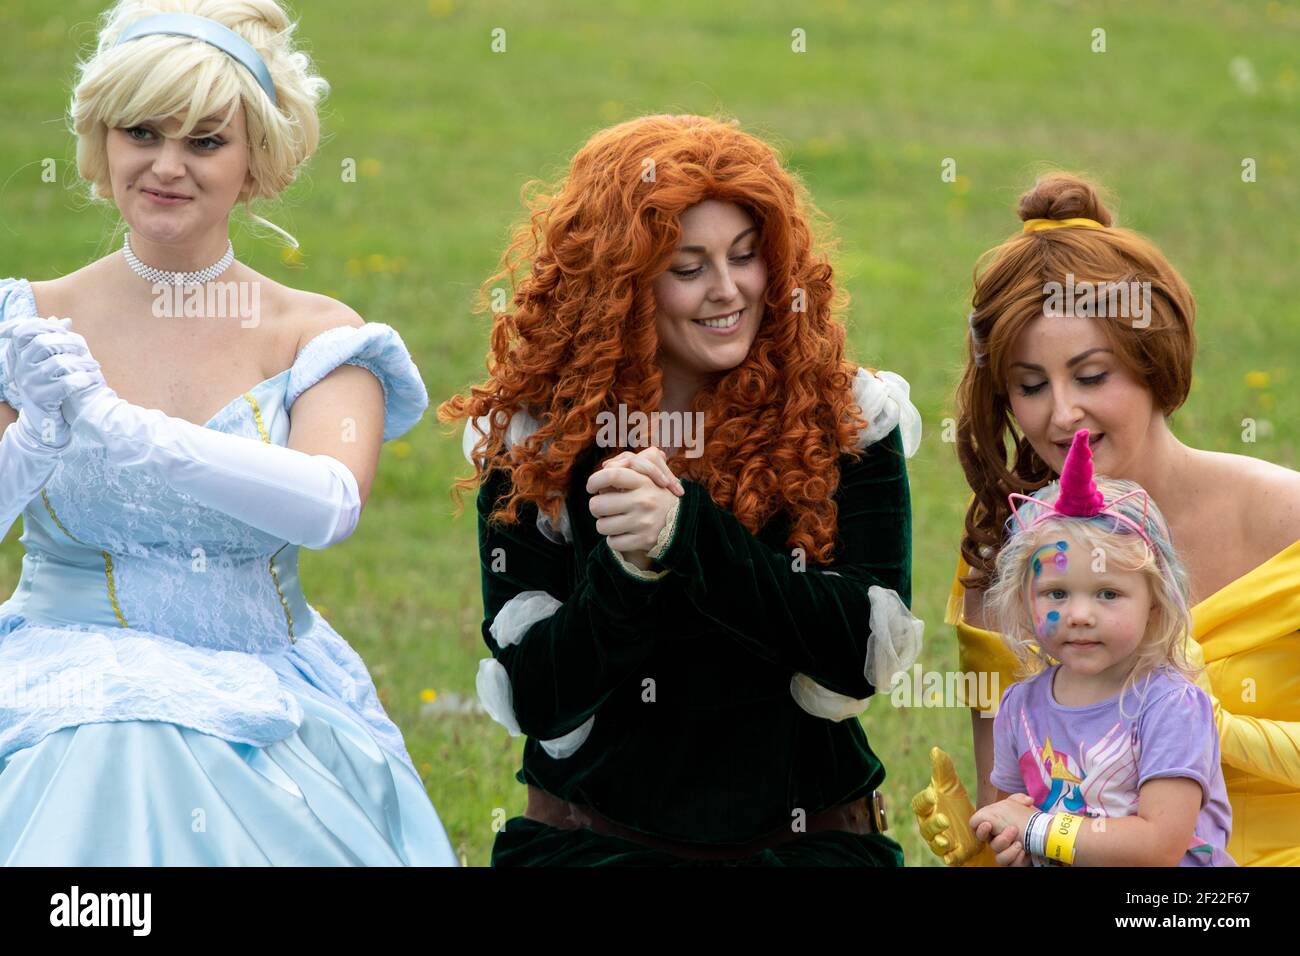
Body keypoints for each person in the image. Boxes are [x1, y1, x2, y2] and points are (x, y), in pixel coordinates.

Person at [0, 0, 455, 865]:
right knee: (115, 738)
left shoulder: (314, 333)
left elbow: (330, 505)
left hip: (256, 676)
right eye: (141, 133)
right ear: (102, 143)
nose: (166, 166)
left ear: (255, 162)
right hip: (61, 679)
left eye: (205, 141)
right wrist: (33, 445)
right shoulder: (29, 319)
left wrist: (125, 430)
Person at [439, 113, 925, 866]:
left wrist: (689, 535)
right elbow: (540, 698)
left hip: (807, 849)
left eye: (745, 256)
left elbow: (858, 655)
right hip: (593, 850)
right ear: (620, 283)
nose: (727, 291)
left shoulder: (847, 414)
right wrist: (628, 569)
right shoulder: (543, 434)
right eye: (689, 267)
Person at [912, 172, 1300, 867]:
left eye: (1091, 376)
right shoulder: (1012, 562)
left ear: (1155, 360)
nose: (1062, 416)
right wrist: (983, 839)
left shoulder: (1286, 522)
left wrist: (1209, 724)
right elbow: (1011, 803)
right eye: (1030, 386)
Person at [968, 429, 1234, 866]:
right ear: (1024, 599)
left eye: (1108, 594)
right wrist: (1010, 843)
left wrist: (1035, 830)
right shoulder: (1020, 706)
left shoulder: (1170, 706)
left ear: (1155, 603)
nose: (1079, 615)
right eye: (1056, 594)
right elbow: (1013, 818)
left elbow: (1158, 847)